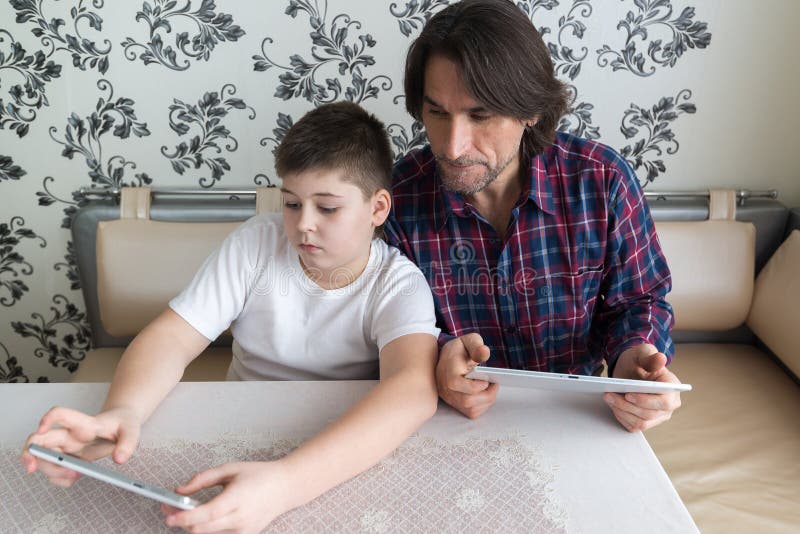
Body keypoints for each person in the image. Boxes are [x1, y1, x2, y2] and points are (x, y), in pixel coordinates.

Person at [22, 101, 440, 533]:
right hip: (238, 424)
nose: (303, 225)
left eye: (327, 208)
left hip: (338, 444)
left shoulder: (398, 283)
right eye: (293, 203)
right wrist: (123, 410)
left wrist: (284, 485)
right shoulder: (256, 244)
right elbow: (172, 338)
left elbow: (411, 390)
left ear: (377, 209)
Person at [385, 0, 683, 431]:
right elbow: (385, 321)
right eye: (437, 113)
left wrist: (634, 358)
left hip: (576, 418)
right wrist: (438, 353)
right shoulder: (396, 198)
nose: (452, 146)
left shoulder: (601, 180)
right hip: (448, 421)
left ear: (530, 111)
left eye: (480, 115)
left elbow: (640, 300)